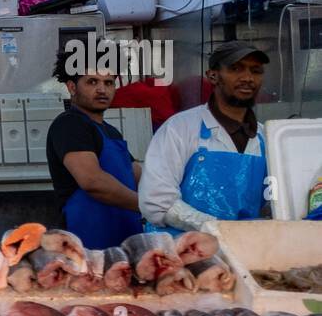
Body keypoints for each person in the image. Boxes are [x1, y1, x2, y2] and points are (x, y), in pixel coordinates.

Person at [139, 41, 269, 234]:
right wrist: (216, 228)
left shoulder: (266, 137)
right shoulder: (179, 128)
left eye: (256, 70)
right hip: (184, 253)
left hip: (247, 251)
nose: (247, 78)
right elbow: (158, 202)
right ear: (213, 76)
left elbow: (273, 201)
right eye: (235, 69)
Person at [45, 53, 144, 249]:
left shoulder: (111, 131)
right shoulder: (69, 124)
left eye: (108, 83)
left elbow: (139, 176)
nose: (102, 90)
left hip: (126, 240)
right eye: (92, 82)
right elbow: (93, 182)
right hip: (86, 244)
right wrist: (146, 206)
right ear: (72, 87)